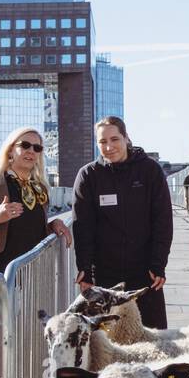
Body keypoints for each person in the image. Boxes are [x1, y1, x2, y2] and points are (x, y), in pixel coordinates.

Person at [72, 116, 173, 327]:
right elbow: (83, 226)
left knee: (152, 337)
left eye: (114, 139)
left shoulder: (150, 171)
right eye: (102, 142)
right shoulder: (89, 175)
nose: (109, 147)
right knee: (109, 339)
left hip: (146, 272)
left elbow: (162, 221)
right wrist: (85, 269)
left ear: (127, 138)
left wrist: (158, 263)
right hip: (105, 275)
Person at [0, 125, 71, 288]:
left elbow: (29, 231)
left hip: (29, 280)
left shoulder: (39, 188)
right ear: (10, 150)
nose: (31, 151)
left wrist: (51, 225)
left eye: (37, 147)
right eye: (25, 145)